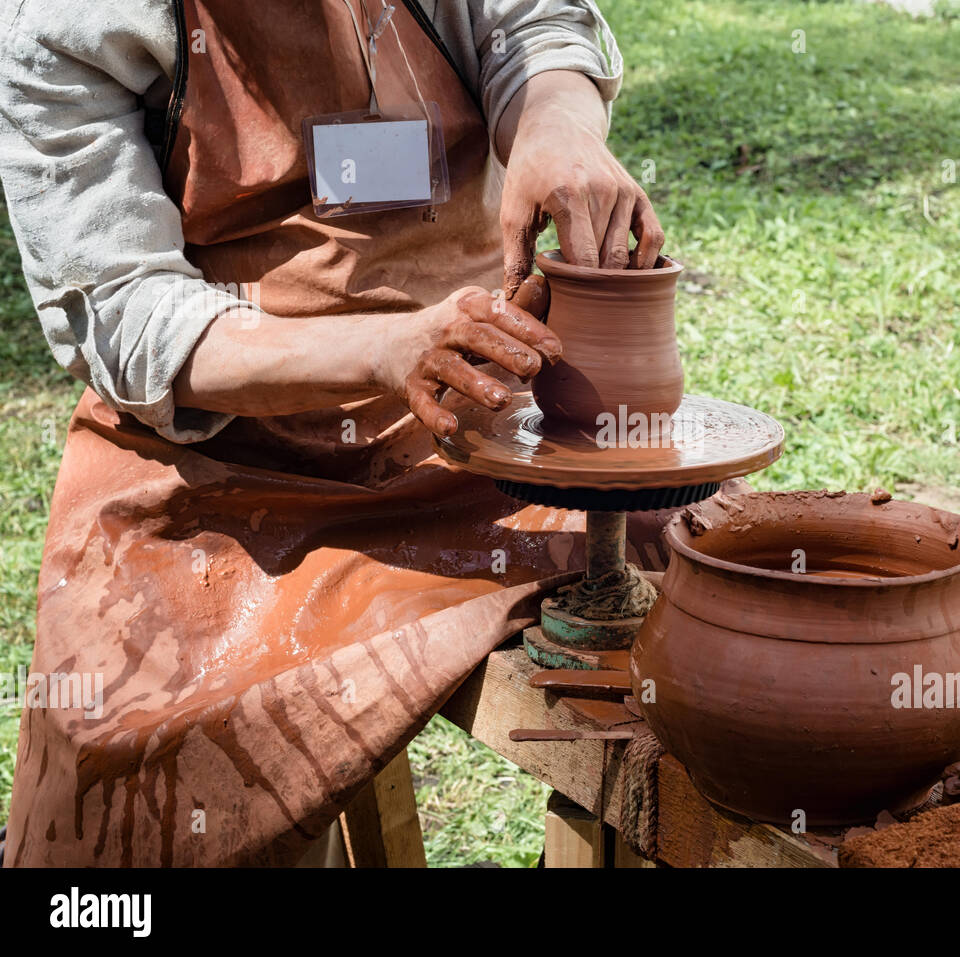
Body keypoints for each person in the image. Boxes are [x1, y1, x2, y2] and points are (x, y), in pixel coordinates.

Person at [0, 0, 677, 866]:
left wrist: (556, 116)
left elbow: (533, 23)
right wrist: (382, 350)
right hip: (219, 471)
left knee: (729, 627)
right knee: (138, 794)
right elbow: (126, 315)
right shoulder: (66, 18)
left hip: (482, 431)